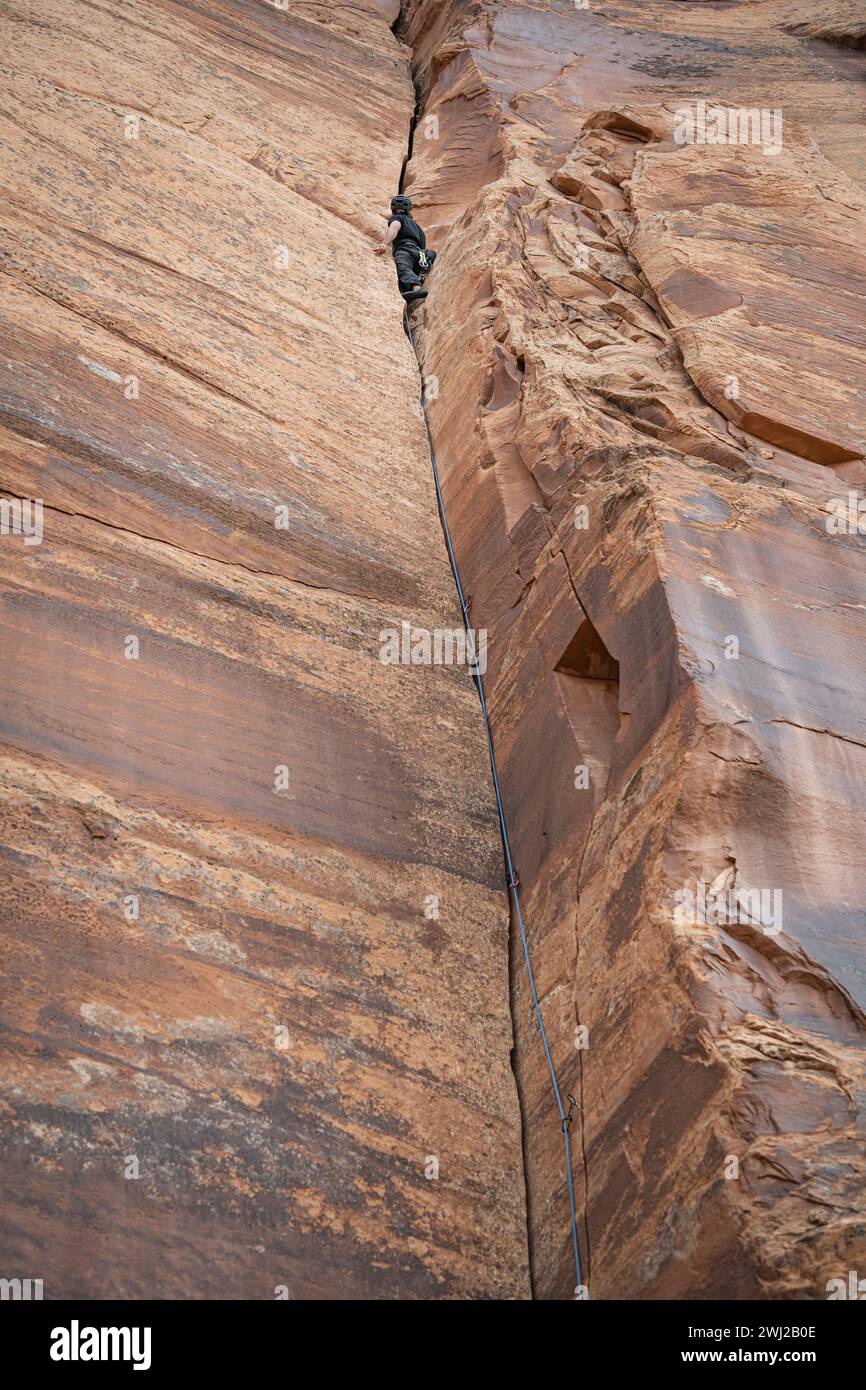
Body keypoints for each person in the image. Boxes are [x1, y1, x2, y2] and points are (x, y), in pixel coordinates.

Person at [375, 194, 436, 302]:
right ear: (409, 210)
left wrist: (385, 243)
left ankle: (416, 288)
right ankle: (418, 279)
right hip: (420, 253)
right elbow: (422, 244)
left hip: (404, 250)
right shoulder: (418, 228)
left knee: (403, 267)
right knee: (426, 257)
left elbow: (394, 228)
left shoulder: (397, 218)